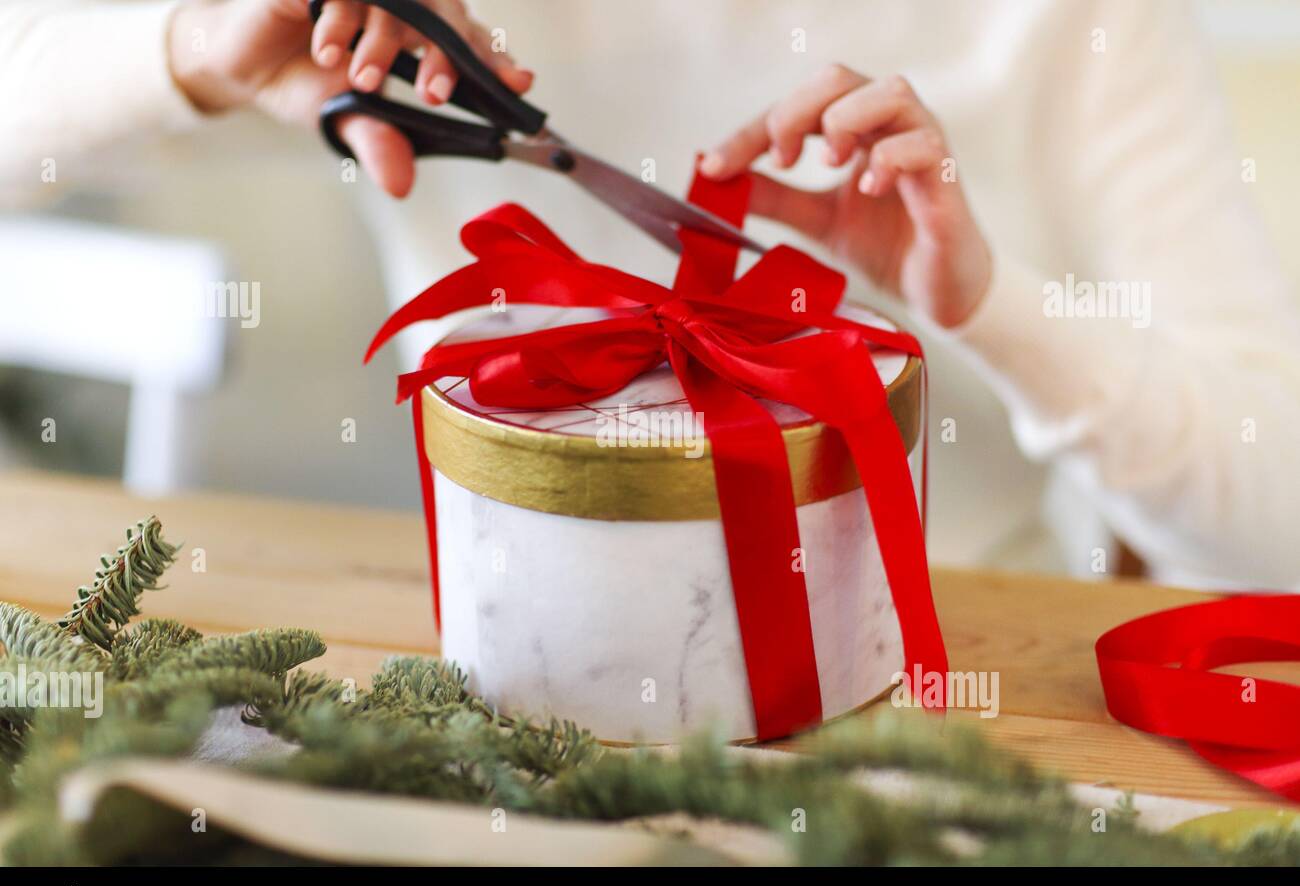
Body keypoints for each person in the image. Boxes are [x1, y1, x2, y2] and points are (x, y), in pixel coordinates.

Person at [2, 0, 1298, 590]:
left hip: (949, 720)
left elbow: (1277, 538)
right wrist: (188, 50)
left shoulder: (1079, 20)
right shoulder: (421, 23)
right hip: (507, 697)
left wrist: (989, 304)